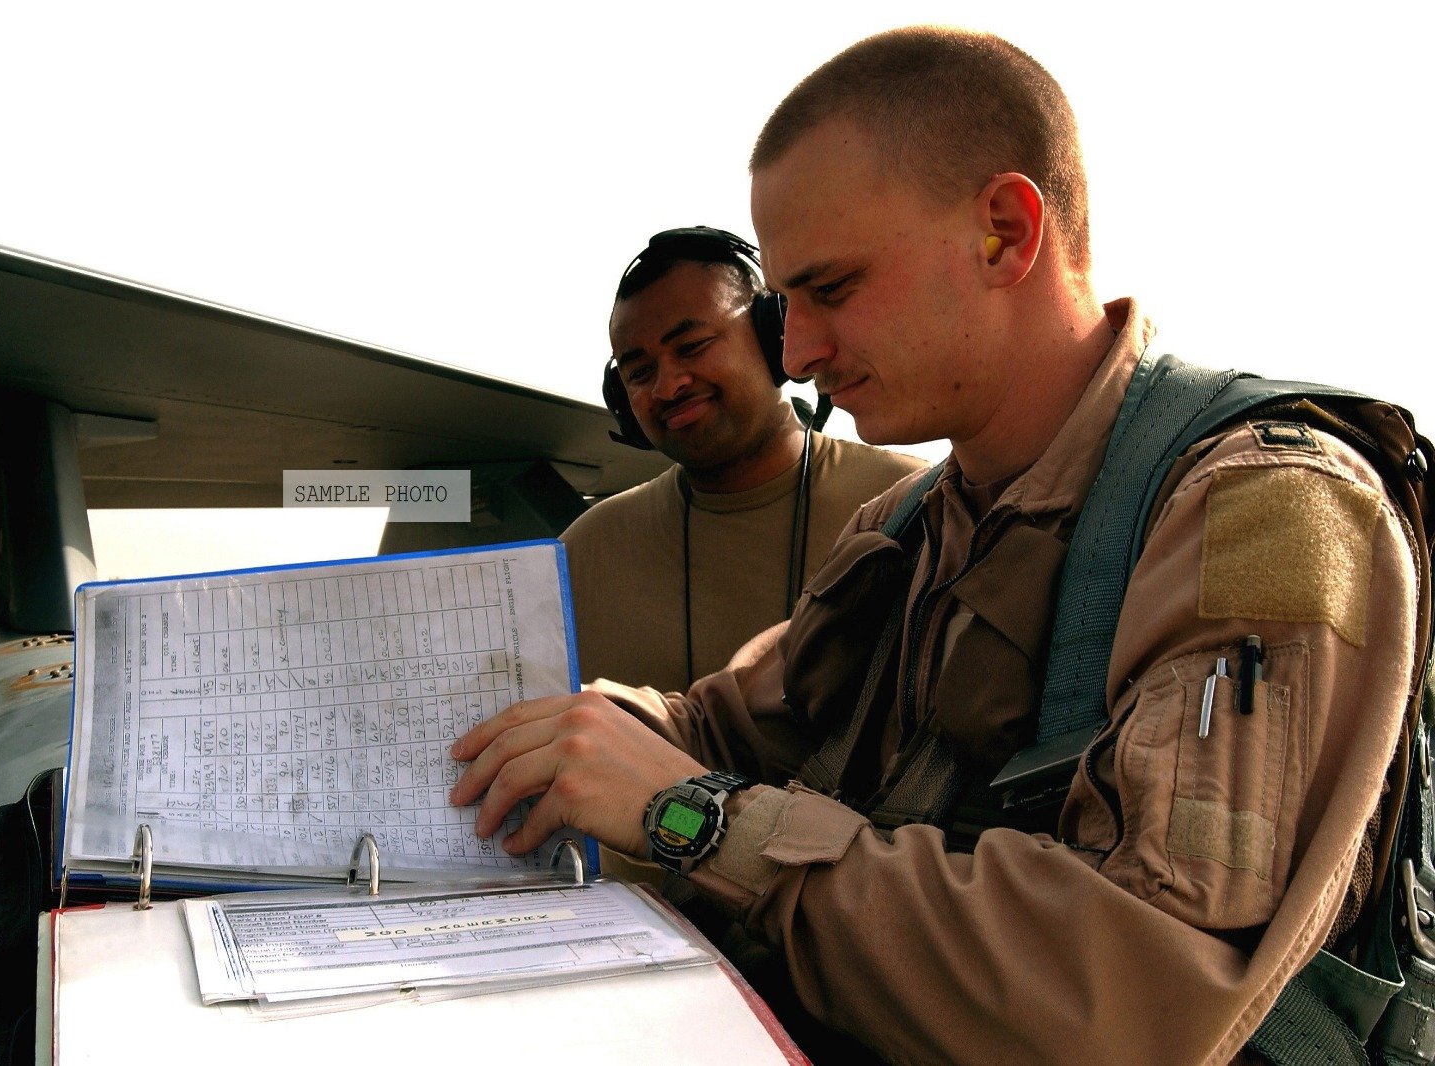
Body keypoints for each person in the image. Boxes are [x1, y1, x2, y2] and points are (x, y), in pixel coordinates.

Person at [452, 27, 1420, 1062]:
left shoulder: (1265, 511)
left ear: (1005, 232)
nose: (800, 353)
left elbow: (1134, 998)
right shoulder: (911, 526)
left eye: (832, 290)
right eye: (786, 305)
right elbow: (730, 725)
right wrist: (565, 731)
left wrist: (692, 819)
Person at [565, 227, 922, 692]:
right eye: (639, 372)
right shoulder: (582, 553)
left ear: (775, 335)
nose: (668, 385)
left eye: (692, 347)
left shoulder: (914, 507)